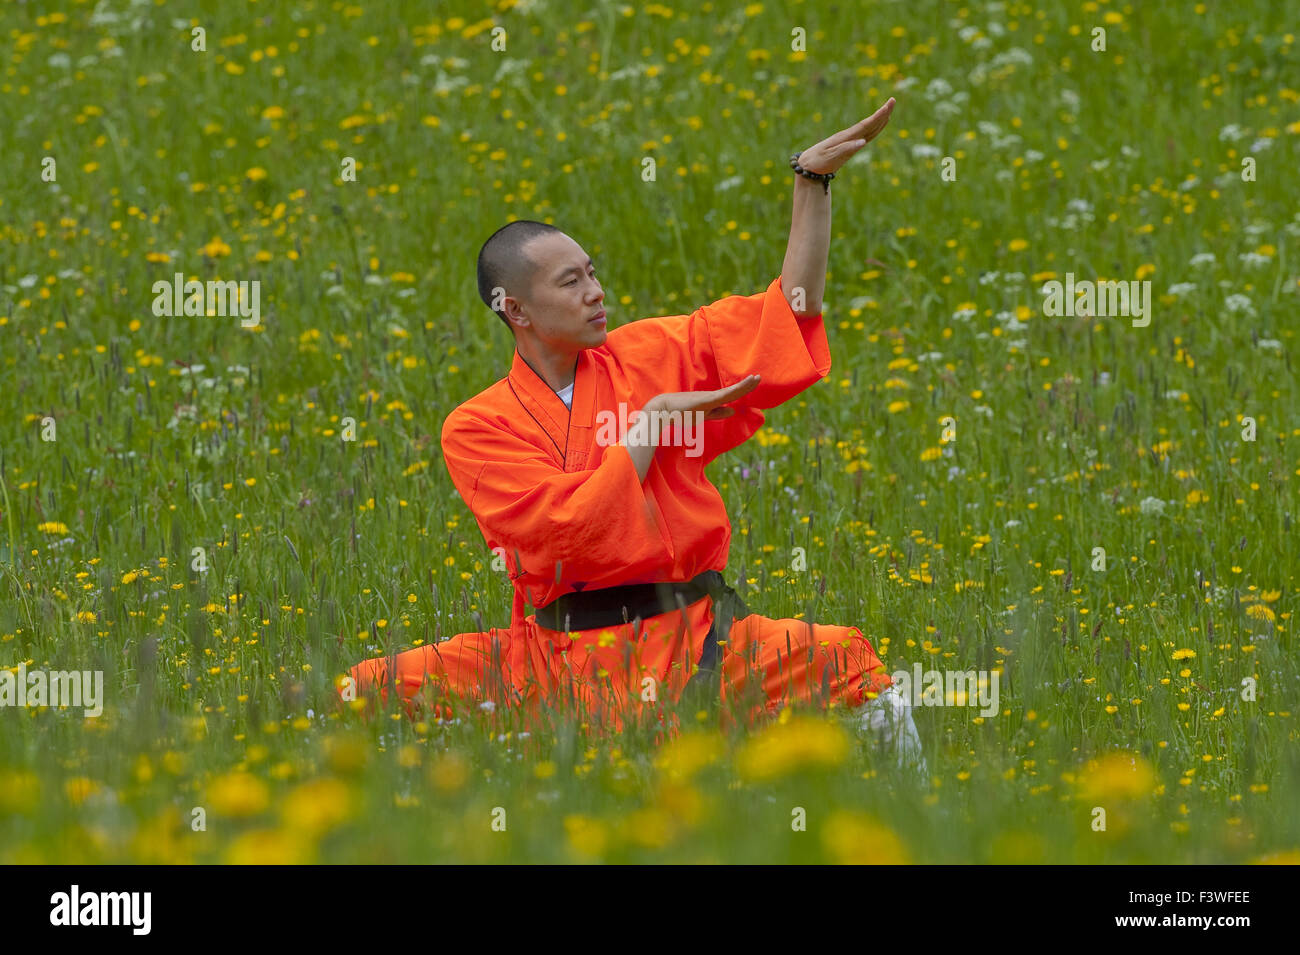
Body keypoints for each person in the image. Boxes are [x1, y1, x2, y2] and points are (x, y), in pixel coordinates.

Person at [345, 98, 923, 768]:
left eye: (593, 271)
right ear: (516, 310)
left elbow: (785, 321)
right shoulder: (477, 426)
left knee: (844, 661)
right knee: (360, 688)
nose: (596, 290)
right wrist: (650, 424)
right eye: (571, 280)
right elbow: (564, 530)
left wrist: (810, 185)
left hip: (697, 636)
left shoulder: (650, 353)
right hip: (560, 660)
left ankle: (915, 822)